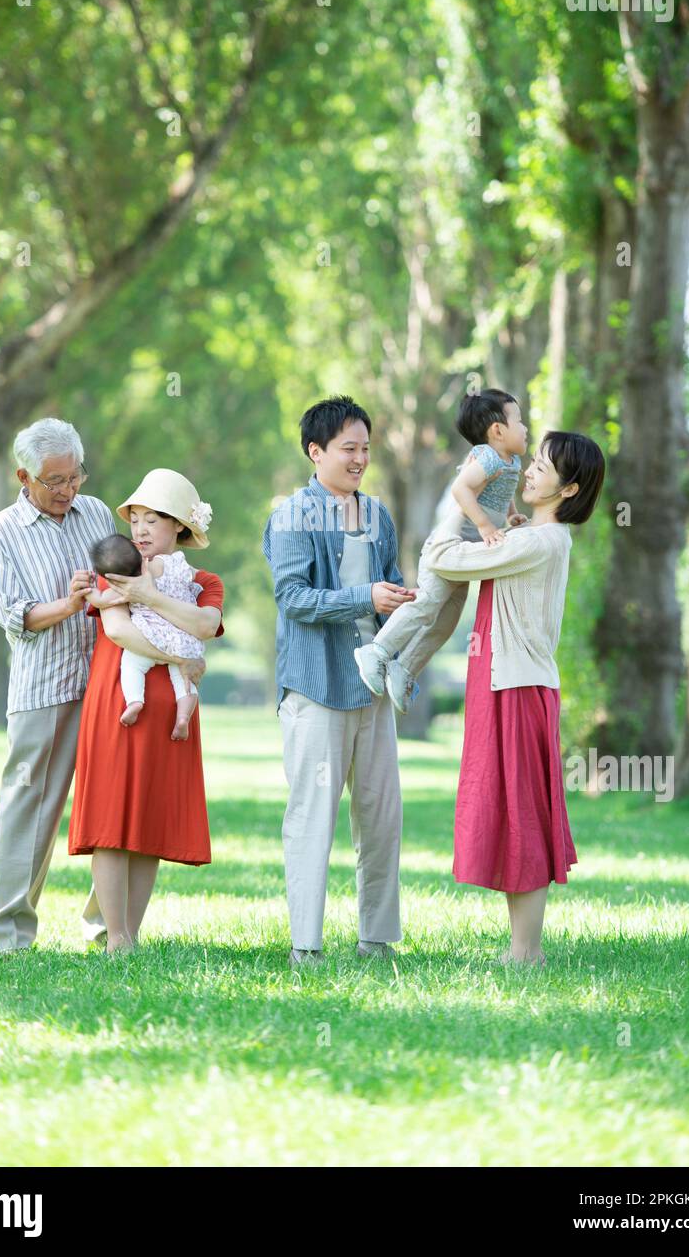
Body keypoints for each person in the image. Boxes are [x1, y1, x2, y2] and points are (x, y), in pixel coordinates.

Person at [423, 430, 605, 967]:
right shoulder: (534, 539)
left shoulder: (537, 542)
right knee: (510, 811)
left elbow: (445, 561)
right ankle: (522, 948)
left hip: (518, 689)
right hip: (508, 682)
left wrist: (458, 505)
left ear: (568, 490)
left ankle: (528, 951)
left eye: (542, 468)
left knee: (522, 812)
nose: (528, 471)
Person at [262, 394, 418, 968]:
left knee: (380, 817)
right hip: (315, 687)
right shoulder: (292, 515)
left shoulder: (377, 515)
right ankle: (307, 945)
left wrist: (400, 600)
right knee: (312, 817)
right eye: (348, 448)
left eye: (366, 449)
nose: (359, 459)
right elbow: (292, 597)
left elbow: (391, 582)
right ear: (316, 451)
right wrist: (364, 596)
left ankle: (376, 940)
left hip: (370, 688)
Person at [68, 469, 224, 953]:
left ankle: (131, 935)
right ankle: (115, 938)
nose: (139, 529)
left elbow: (204, 623)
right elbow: (117, 631)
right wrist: (182, 658)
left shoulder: (204, 581)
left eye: (152, 519)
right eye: (135, 518)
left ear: (178, 525)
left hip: (169, 715)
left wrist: (153, 597)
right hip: (119, 702)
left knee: (147, 822)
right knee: (113, 821)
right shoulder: (113, 568)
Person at [0, 417, 116, 952]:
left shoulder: (98, 513)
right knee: (29, 810)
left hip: (107, 685)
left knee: (110, 809)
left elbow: (123, 579)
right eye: (54, 481)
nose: (67, 490)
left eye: (74, 477)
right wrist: (68, 603)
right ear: (24, 476)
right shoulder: (3, 531)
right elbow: (12, 614)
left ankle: (110, 931)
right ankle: (10, 935)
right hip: (44, 692)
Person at [354, 388, 529, 712]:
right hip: (449, 544)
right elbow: (461, 489)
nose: (525, 428)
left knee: (446, 620)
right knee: (427, 605)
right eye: (519, 421)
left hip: (464, 555)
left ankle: (404, 668)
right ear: (497, 431)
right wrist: (485, 526)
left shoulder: (510, 460)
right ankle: (376, 652)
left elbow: (500, 493)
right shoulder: (488, 456)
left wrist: (509, 515)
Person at [88, 530, 206, 740]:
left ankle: (135, 701)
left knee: (131, 666)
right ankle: (183, 717)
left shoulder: (125, 586)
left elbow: (102, 601)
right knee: (185, 681)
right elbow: (191, 577)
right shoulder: (171, 564)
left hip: (149, 638)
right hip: (182, 639)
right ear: (137, 549)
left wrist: (90, 593)